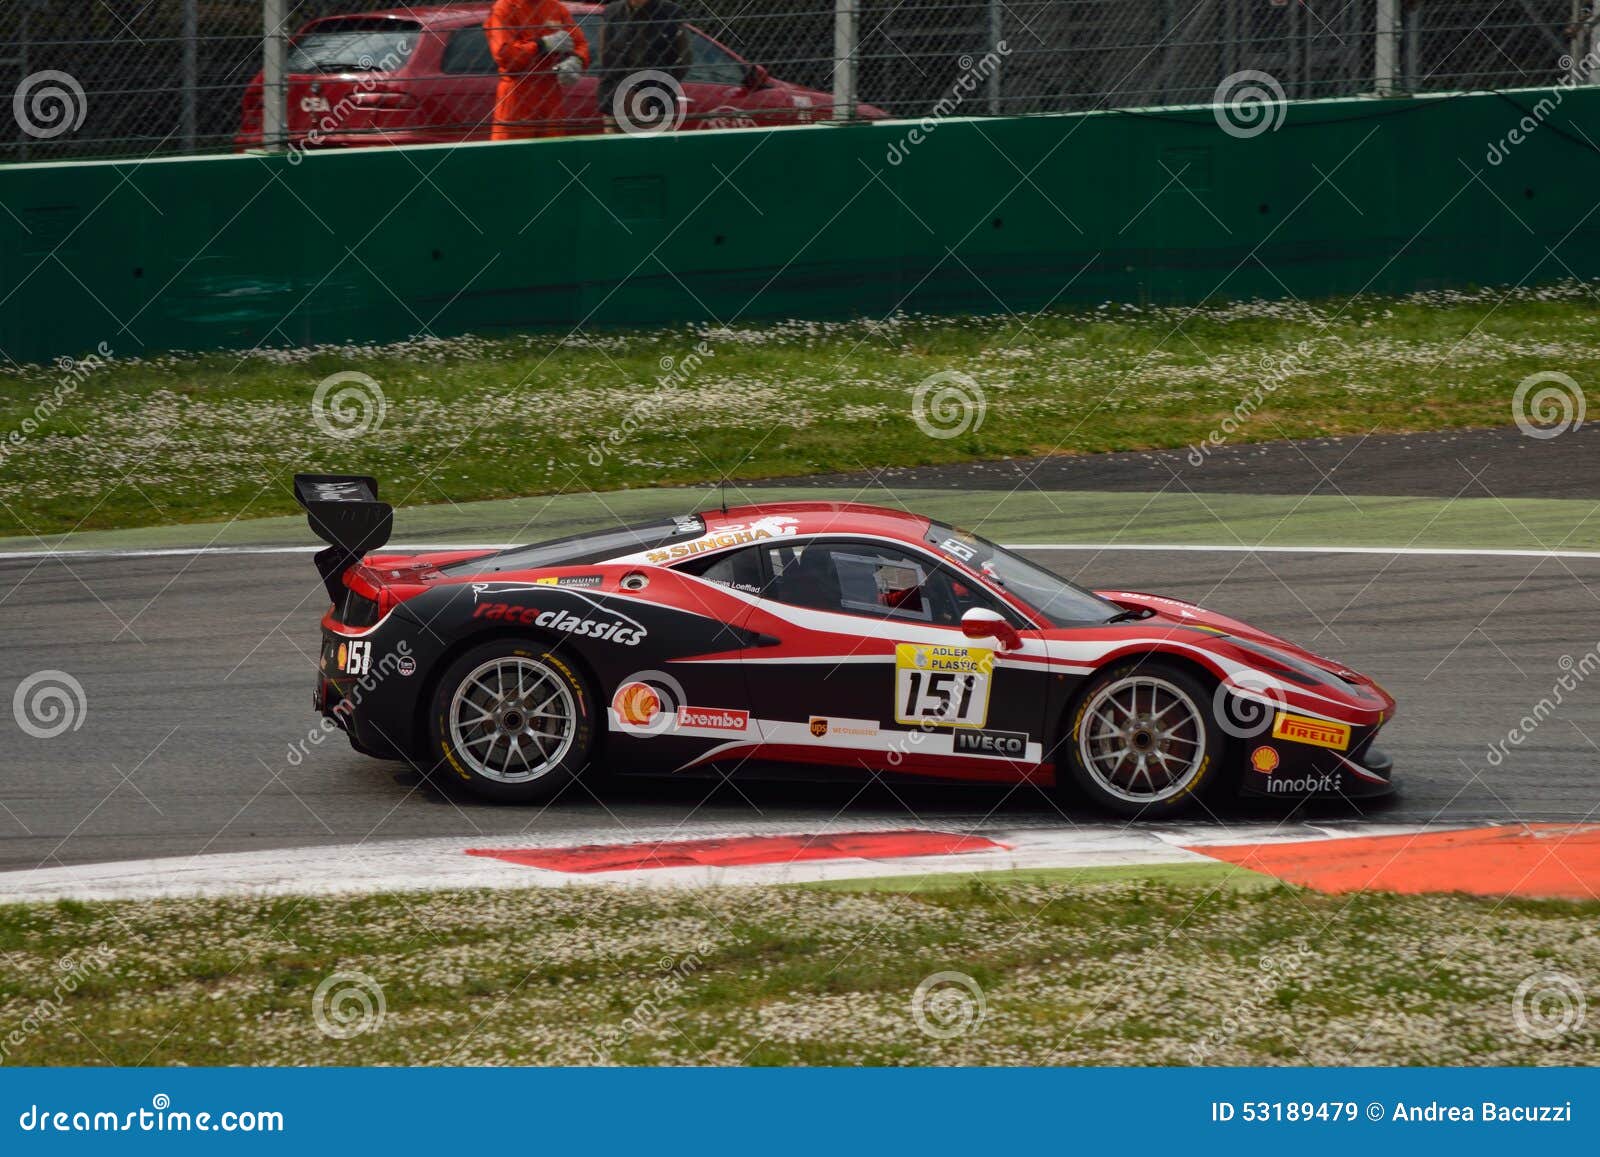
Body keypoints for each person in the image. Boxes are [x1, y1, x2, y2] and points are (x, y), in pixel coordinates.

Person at [485, 0, 590, 140]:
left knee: (552, 157)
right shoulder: (504, 7)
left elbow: (579, 43)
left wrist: (577, 60)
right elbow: (506, 56)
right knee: (512, 157)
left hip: (551, 96)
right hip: (517, 98)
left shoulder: (555, 8)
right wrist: (540, 45)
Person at [595, 0, 693, 131]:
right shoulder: (612, 12)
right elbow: (605, 57)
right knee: (617, 145)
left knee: (656, 144)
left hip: (655, 99)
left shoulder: (671, 13)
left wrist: (661, 87)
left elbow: (685, 58)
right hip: (616, 98)